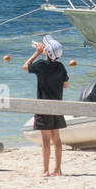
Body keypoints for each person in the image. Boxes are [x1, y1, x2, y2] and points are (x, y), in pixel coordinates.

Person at [22, 35, 69, 177]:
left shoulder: (41, 65)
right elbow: (66, 85)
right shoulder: (60, 66)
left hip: (43, 107)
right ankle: (58, 169)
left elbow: (25, 66)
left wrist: (36, 52)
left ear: (47, 52)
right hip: (57, 106)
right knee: (56, 138)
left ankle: (45, 170)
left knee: (46, 140)